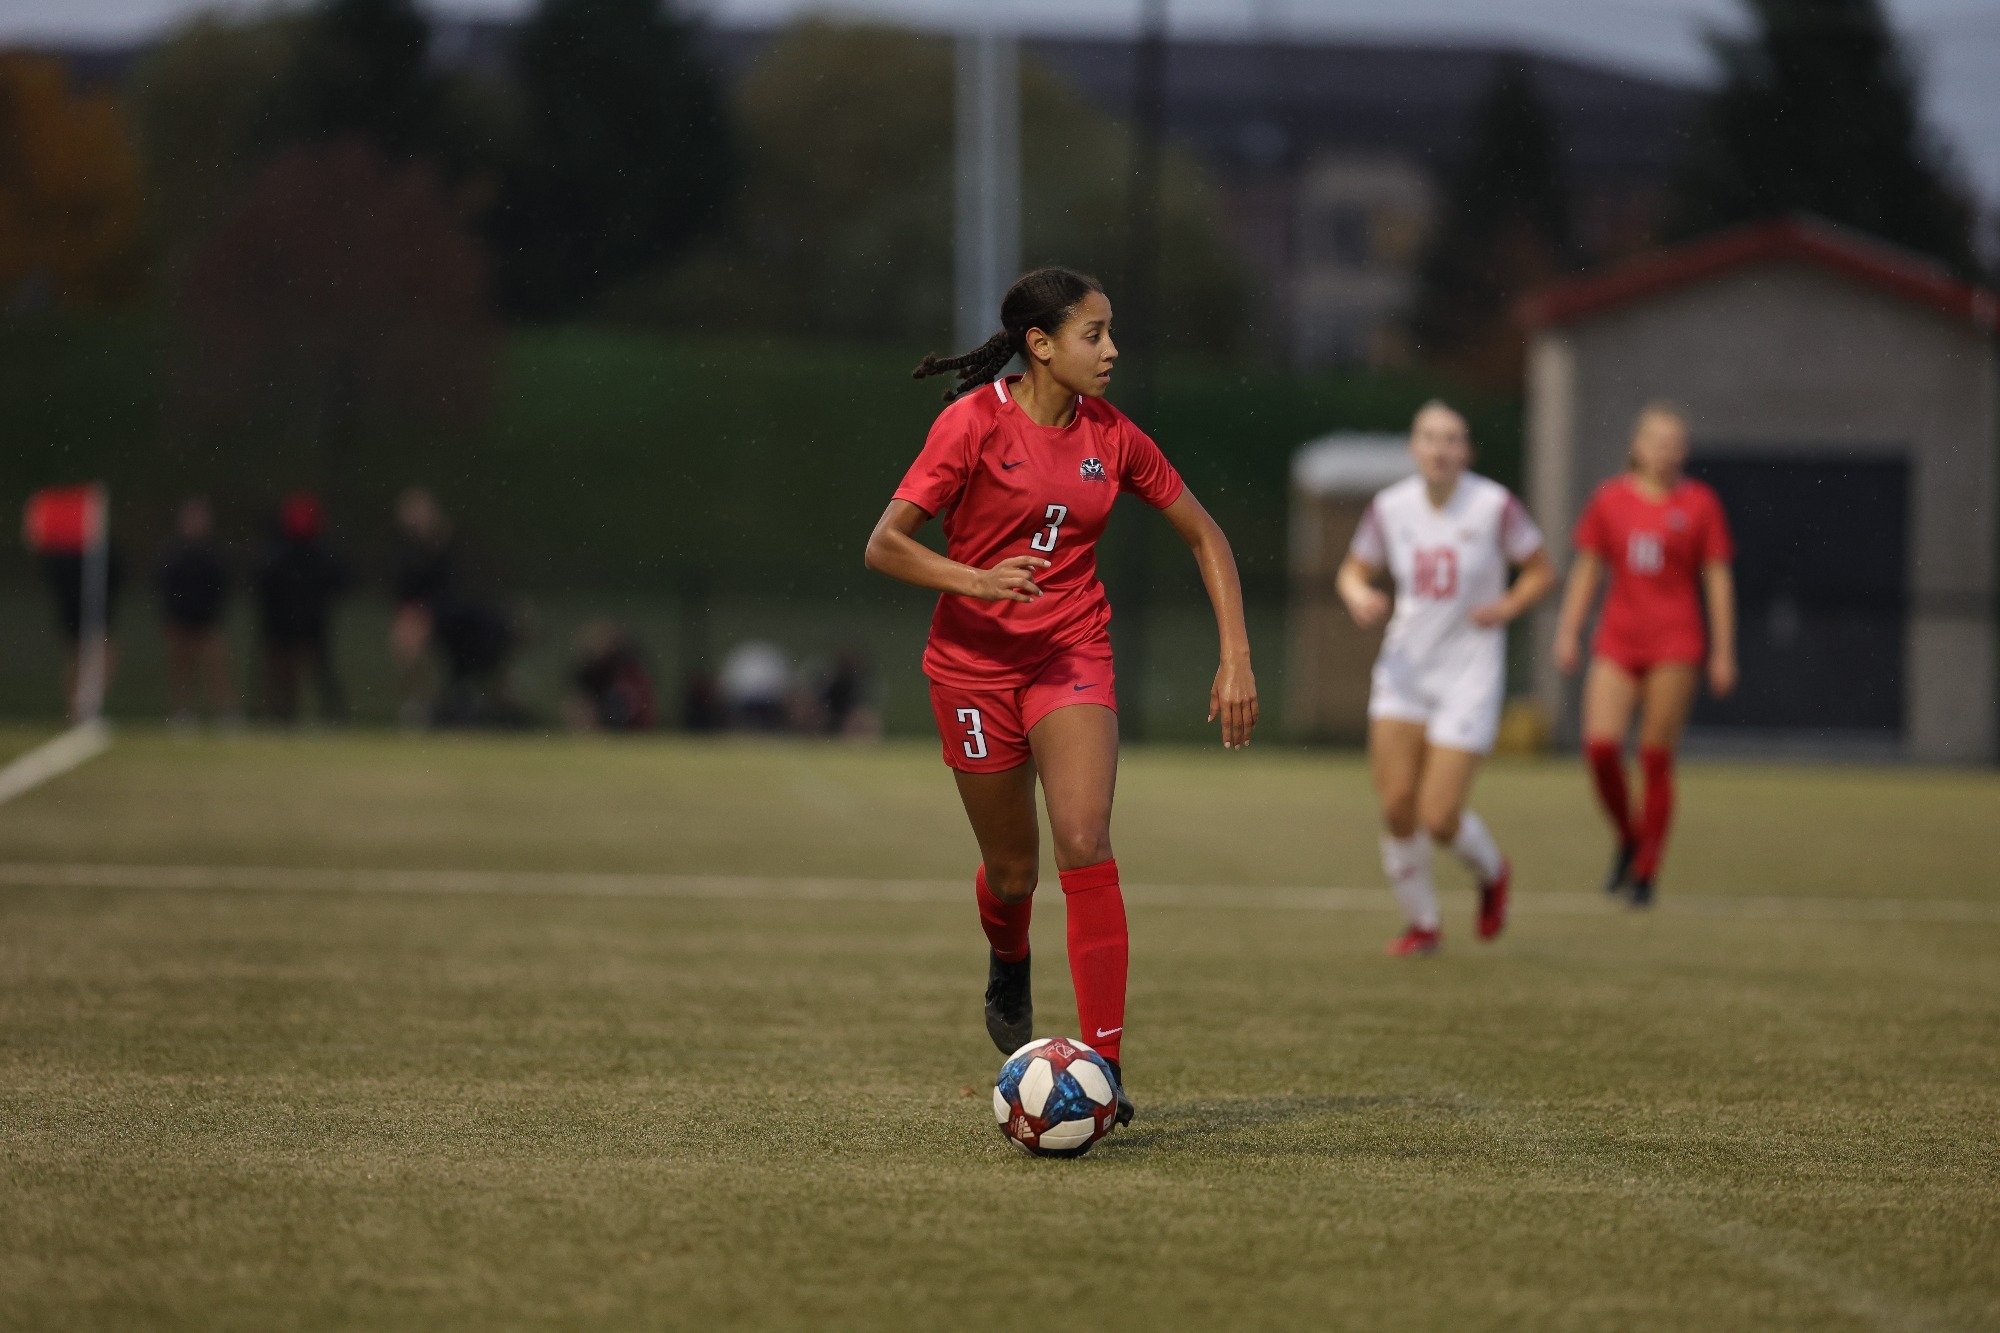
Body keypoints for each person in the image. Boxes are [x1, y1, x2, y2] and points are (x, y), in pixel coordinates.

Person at [864, 266, 1259, 1128]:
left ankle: (1104, 1073)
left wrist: (1235, 654)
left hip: (1070, 653)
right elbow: (884, 546)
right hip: (970, 671)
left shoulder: (1113, 435)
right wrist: (976, 579)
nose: (1112, 350)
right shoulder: (969, 425)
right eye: (1094, 334)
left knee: (1084, 838)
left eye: (1112, 332)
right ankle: (1009, 955)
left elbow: (1206, 533)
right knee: (1013, 872)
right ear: (1040, 345)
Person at [1336, 401, 1556, 956]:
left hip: (1470, 676)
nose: (1440, 448)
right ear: (1414, 447)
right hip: (1404, 671)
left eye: (1453, 439)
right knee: (1396, 807)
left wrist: (1506, 606)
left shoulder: (1493, 504)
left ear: (1468, 451)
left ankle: (1492, 872)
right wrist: (1360, 594)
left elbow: (1541, 570)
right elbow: (1353, 569)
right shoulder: (1391, 507)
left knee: (1439, 815)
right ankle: (1424, 924)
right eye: (1430, 438)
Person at [1553, 402, 1737, 906]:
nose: (1666, 450)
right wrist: (1568, 631)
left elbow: (1717, 578)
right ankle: (1628, 837)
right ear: (1636, 446)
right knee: (1601, 750)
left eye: (1676, 441)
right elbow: (1588, 568)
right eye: (1657, 439)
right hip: (1617, 639)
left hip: (1675, 643)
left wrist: (1723, 651)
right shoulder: (1610, 500)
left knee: (1655, 757)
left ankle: (1647, 872)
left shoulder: (1700, 504)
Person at [252, 492, 349, 724]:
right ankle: (283, 714)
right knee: (284, 673)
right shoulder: (291, 555)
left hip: (303, 625)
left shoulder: (296, 554)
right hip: (287, 626)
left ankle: (324, 714)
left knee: (311, 672)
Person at [156, 497, 238, 728]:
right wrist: (170, 619)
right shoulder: (172, 554)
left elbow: (222, 587)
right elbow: (165, 589)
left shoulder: (213, 555)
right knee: (182, 671)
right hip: (180, 623)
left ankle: (225, 713)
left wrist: (213, 616)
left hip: (207, 623)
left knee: (217, 670)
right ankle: (181, 713)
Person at [390, 487, 454, 727]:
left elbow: (446, 586)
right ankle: (418, 702)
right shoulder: (403, 548)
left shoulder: (441, 546)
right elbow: (401, 587)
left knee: (414, 645)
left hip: (438, 612)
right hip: (412, 612)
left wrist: (427, 612)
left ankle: (427, 704)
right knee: (407, 648)